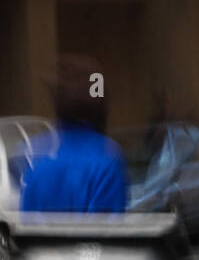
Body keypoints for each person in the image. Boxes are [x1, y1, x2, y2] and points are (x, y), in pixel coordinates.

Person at [20, 55, 127, 213]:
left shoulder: (36, 157)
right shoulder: (107, 157)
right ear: (101, 105)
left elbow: (26, 226)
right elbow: (108, 231)